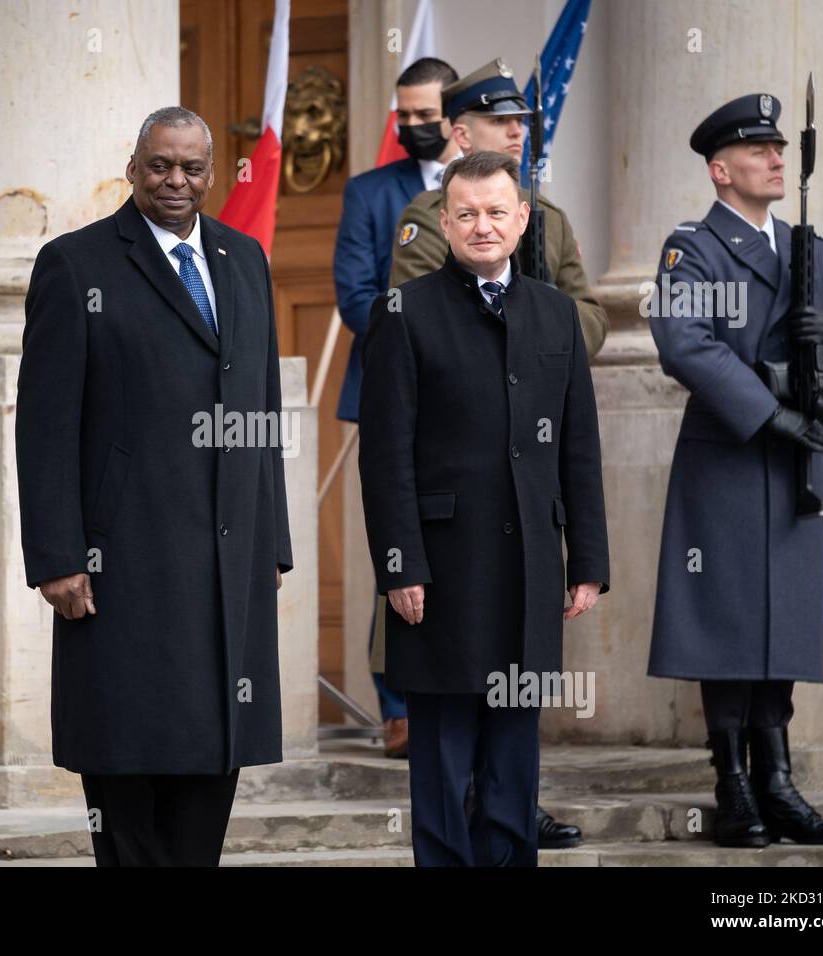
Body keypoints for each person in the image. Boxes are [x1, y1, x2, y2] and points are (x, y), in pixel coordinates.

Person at [16, 106, 292, 867]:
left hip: (227, 562)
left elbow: (261, 408)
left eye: (192, 167)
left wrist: (273, 541)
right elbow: (44, 429)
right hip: (121, 570)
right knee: (129, 785)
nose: (177, 180)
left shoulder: (243, 259)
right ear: (132, 167)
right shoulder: (75, 264)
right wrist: (56, 557)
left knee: (210, 781)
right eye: (161, 165)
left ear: (211, 173)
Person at [358, 151, 609, 866]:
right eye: (466, 213)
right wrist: (399, 563)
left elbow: (578, 450)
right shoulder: (403, 313)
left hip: (529, 566)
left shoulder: (557, 316)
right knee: (441, 761)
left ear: (523, 219)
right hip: (438, 576)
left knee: (512, 765)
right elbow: (386, 457)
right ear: (445, 222)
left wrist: (587, 561)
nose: (482, 226)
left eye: (497, 212)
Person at [648, 93, 823, 848]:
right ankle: (733, 782)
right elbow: (686, 343)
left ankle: (778, 780)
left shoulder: (807, 247)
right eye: (758, 151)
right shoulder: (695, 248)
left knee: (780, 615)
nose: (777, 159)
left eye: (781, 149)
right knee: (727, 619)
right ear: (721, 170)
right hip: (732, 451)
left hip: (793, 461)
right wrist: (773, 398)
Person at [334, 55, 460, 758]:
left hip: (479, 406)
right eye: (402, 116)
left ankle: (467, 693)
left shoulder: (498, 191)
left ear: (455, 115)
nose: (411, 127)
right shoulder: (367, 192)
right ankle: (399, 706)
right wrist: (428, 345)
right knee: (399, 546)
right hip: (394, 390)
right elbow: (355, 292)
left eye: (425, 115)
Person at [389, 58, 608, 357]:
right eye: (499, 121)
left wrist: (547, 308)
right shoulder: (429, 216)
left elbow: (593, 322)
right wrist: (524, 315)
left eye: (519, 120)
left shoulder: (550, 217)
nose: (516, 131)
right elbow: (422, 317)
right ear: (462, 135)